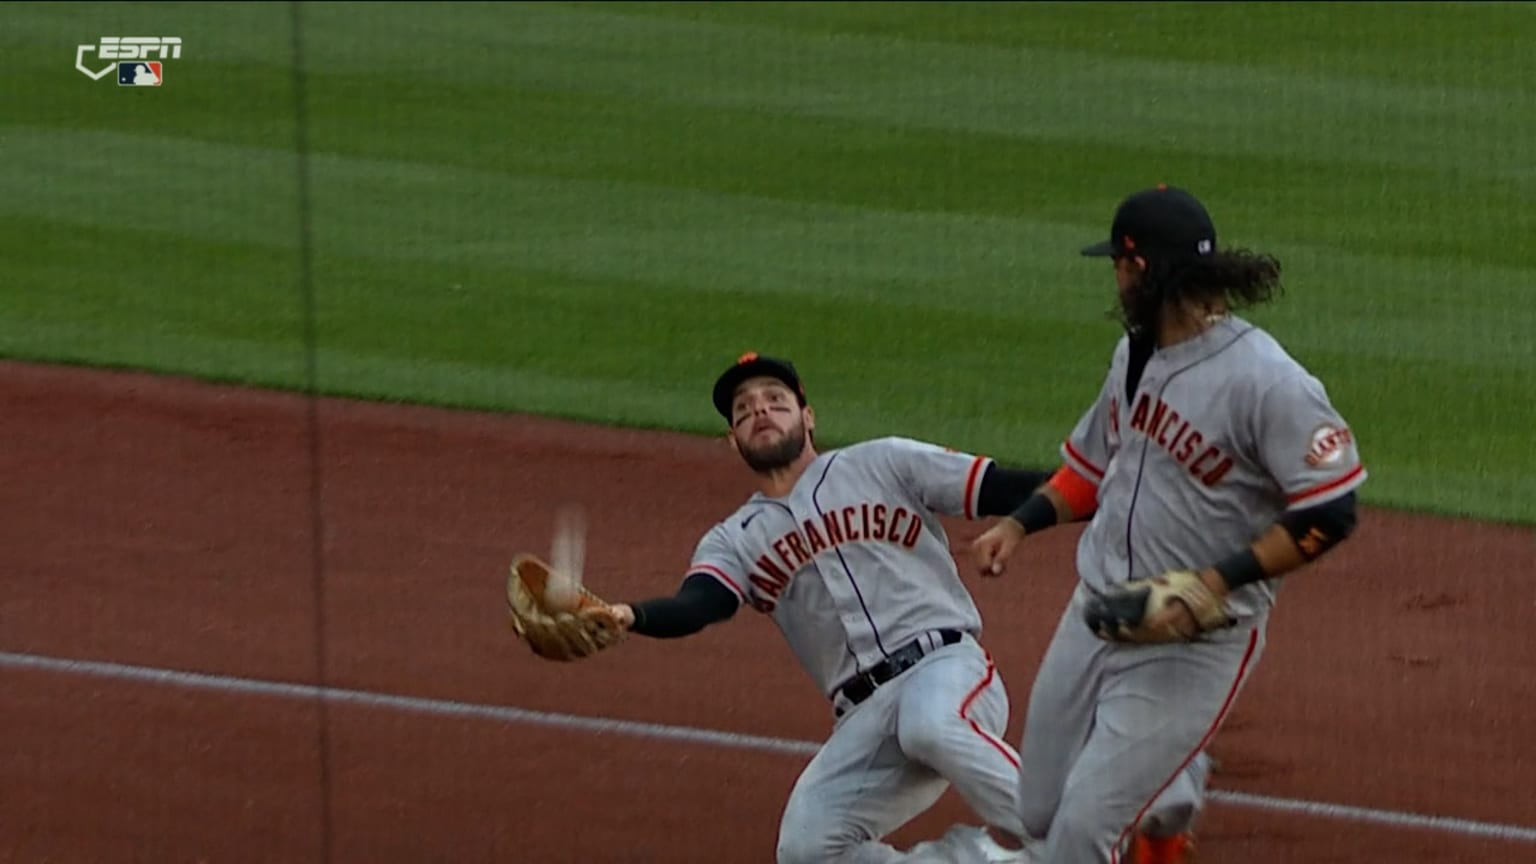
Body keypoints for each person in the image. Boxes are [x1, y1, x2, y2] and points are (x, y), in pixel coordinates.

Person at [971, 185, 1367, 864]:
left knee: (1079, 835)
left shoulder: (1266, 381)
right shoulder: (1134, 355)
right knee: (1036, 811)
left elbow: (1330, 513)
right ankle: (1169, 786)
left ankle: (1162, 788)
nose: (1116, 279)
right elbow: (1093, 471)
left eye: (1120, 265)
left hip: (1197, 638)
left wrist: (1212, 582)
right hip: (1097, 608)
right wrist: (1021, 523)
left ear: (1145, 269)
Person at [601, 351, 1054, 863]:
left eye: (775, 399)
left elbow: (1004, 485)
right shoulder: (734, 539)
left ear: (808, 416)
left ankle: (1082, 841)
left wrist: (1099, 492)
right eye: (744, 410)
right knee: (807, 850)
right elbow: (700, 604)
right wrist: (627, 615)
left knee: (929, 725)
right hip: (863, 716)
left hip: (943, 667)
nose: (760, 411)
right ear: (732, 440)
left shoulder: (884, 462)